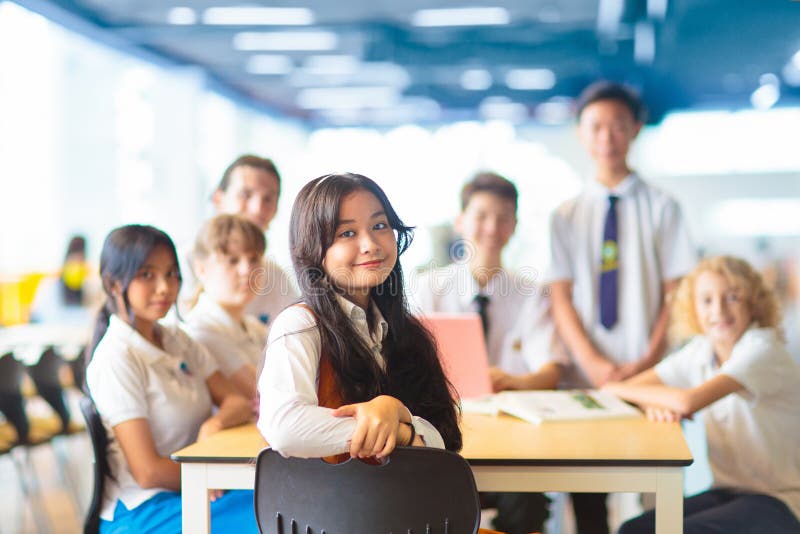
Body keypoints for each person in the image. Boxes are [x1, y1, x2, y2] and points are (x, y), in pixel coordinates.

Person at [546, 81, 696, 533]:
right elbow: (560, 297)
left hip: (652, 376)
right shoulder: (565, 215)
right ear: (581, 134)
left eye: (617, 126)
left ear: (635, 129)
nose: (607, 137)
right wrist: (592, 364)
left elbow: (678, 294)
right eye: (596, 127)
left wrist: (647, 361)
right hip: (586, 377)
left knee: (657, 496)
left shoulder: (663, 208)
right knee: (588, 495)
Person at [258, 172, 462, 463]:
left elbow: (446, 439)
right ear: (313, 249)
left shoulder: (407, 332)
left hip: (400, 502)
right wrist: (391, 426)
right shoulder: (301, 324)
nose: (370, 244)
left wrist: (396, 418)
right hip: (328, 505)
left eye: (380, 226)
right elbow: (284, 427)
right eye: (347, 233)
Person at [413, 172, 563, 534]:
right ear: (461, 221)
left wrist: (514, 380)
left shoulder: (531, 293)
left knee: (525, 499)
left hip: (510, 436)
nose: (491, 227)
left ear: (514, 226)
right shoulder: (429, 287)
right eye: (481, 216)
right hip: (443, 433)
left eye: (503, 217)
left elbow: (552, 369)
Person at [605, 256, 800, 533]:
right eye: (706, 300)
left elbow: (688, 401)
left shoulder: (762, 349)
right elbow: (640, 388)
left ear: (753, 303)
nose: (718, 310)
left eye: (732, 297)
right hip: (727, 491)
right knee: (634, 530)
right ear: (693, 309)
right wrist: (650, 403)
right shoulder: (700, 349)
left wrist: (613, 387)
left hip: (779, 499)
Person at [85, 225, 255, 533]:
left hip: (196, 487)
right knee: (279, 513)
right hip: (146, 508)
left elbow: (236, 402)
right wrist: (204, 474)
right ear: (113, 283)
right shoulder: (116, 357)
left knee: (289, 497)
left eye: (171, 273)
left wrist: (213, 426)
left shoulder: (178, 339)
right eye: (147, 275)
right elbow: (147, 472)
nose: (164, 287)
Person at [179, 155, 298, 325]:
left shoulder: (275, 276)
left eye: (268, 199)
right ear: (218, 199)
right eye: (246, 195)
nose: (258, 208)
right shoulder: (183, 263)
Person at [183, 214, 268, 403]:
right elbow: (265, 395)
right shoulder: (201, 328)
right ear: (201, 269)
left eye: (253, 259)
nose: (246, 270)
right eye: (232, 260)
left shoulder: (253, 326)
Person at [30, 234, 102, 326]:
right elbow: (46, 317)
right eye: (74, 260)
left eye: (81, 261)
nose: (77, 265)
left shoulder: (89, 286)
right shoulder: (51, 285)